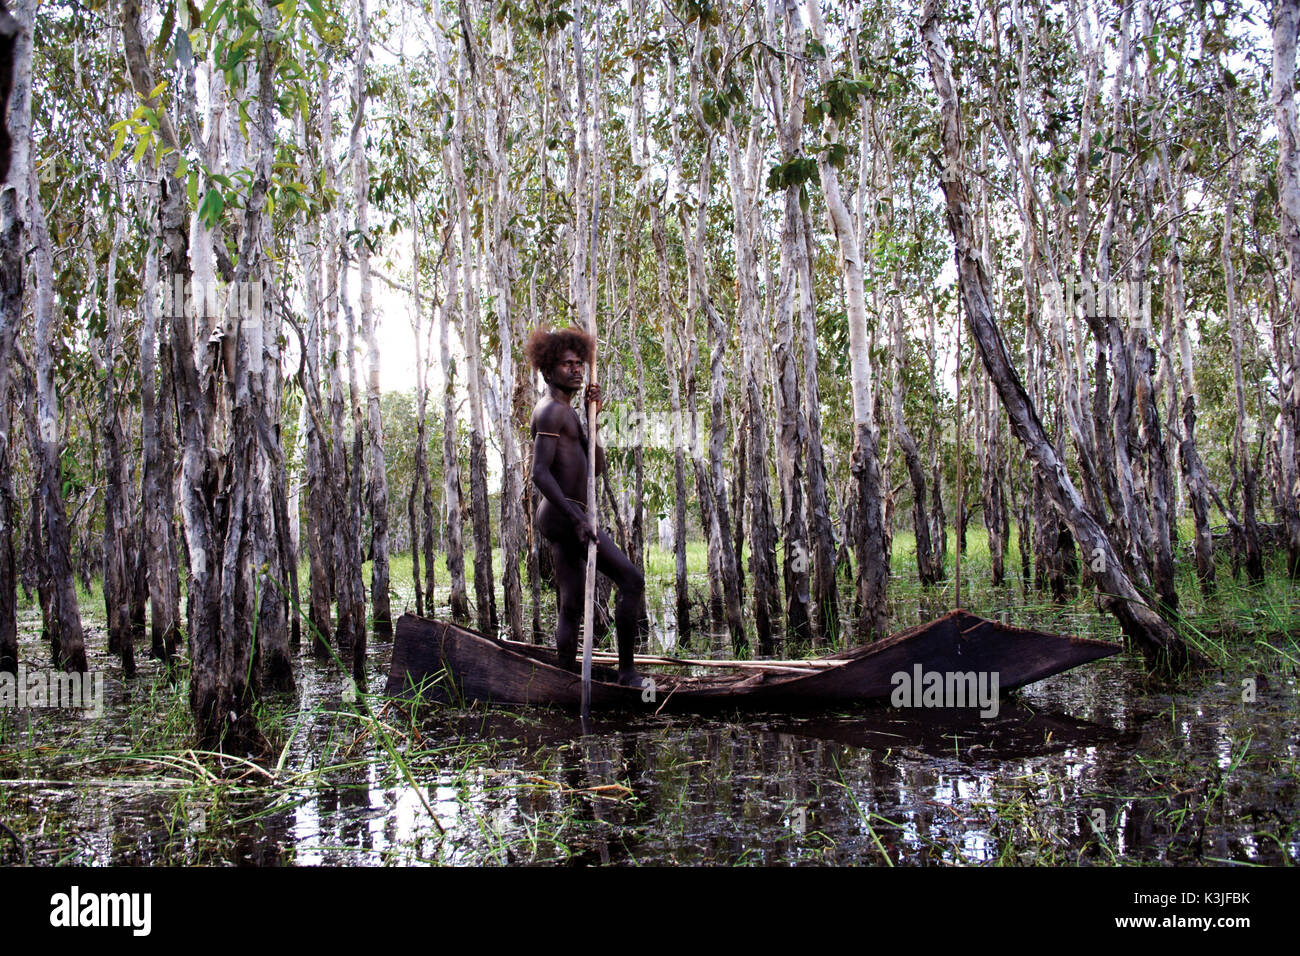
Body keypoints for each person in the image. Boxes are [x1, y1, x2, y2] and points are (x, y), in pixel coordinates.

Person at [527, 326, 644, 688]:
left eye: (580, 364)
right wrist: (577, 517)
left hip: (566, 514)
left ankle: (564, 677)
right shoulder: (550, 412)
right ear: (548, 371)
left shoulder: (569, 412)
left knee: (572, 602)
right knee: (632, 580)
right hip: (563, 515)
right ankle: (627, 675)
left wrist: (594, 416)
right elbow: (539, 473)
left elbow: (597, 465)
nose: (577, 370)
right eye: (567, 364)